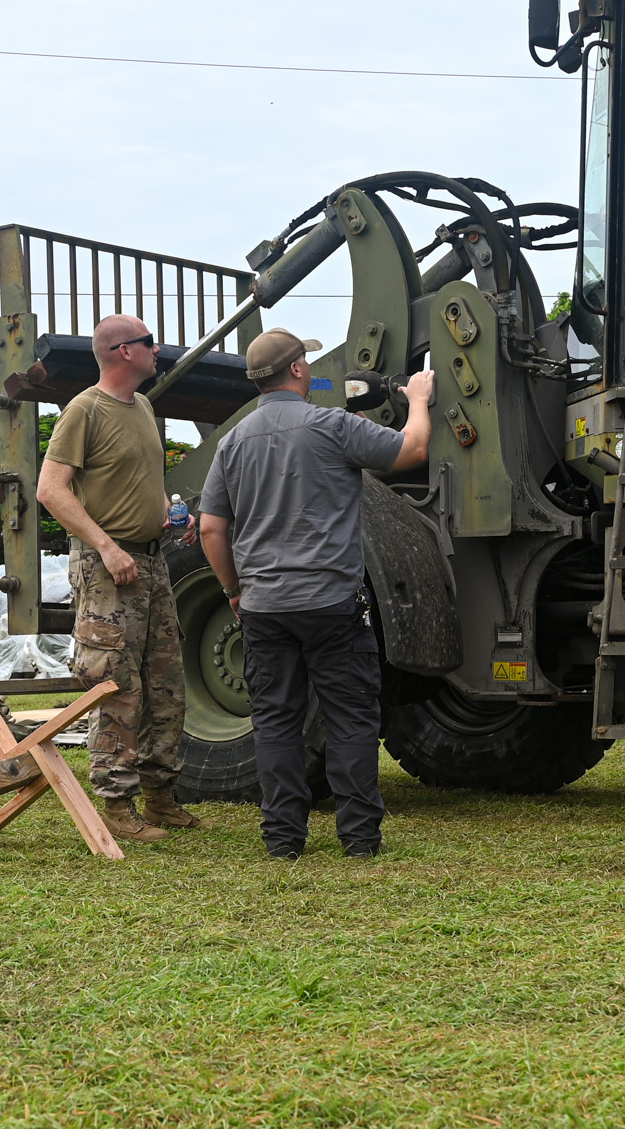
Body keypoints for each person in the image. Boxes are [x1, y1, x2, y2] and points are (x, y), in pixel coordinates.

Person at [198, 329, 436, 860]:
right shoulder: (332, 425)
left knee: (276, 721)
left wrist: (234, 590)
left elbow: (212, 527)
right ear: (298, 369)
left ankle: (283, 839)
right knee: (350, 716)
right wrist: (419, 399)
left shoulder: (232, 442)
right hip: (331, 603)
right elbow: (413, 448)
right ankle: (359, 838)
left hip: (263, 607)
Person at [34, 312, 196, 845]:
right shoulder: (84, 410)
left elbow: (138, 481)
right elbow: (50, 490)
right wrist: (106, 547)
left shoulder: (143, 406)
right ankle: (117, 805)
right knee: (116, 685)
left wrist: (169, 513)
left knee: (166, 684)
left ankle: (160, 797)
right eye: (150, 342)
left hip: (151, 562)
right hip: (109, 569)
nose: (158, 350)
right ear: (124, 351)